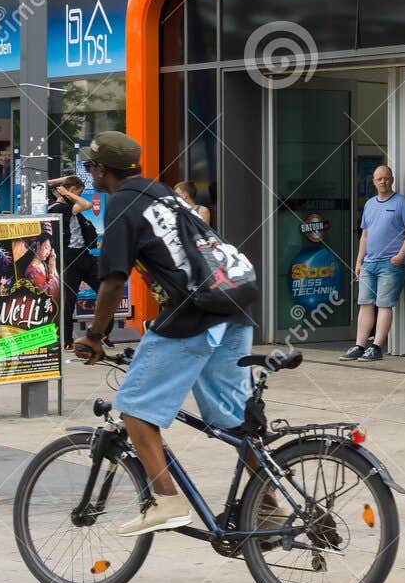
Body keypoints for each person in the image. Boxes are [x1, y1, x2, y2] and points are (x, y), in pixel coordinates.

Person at [70, 132, 260, 537]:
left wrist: (95, 335)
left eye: (91, 166)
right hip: (233, 308)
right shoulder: (163, 194)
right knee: (235, 422)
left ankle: (165, 502)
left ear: (103, 170)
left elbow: (112, 280)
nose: (90, 173)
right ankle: (272, 504)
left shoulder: (123, 204)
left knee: (135, 409)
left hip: (194, 315)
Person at [342, 164, 405, 363]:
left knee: (384, 305)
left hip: (391, 263)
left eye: (386, 178)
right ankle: (360, 346)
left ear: (391, 179)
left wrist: (401, 255)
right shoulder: (369, 204)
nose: (383, 181)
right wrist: (359, 262)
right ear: (373, 182)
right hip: (369, 262)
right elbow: (365, 235)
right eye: (379, 179)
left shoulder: (402, 202)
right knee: (365, 304)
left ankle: (376, 347)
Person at [46, 173, 97, 336]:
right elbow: (87, 204)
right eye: (78, 193)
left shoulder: (67, 206)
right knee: (68, 300)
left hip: (84, 255)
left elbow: (73, 177)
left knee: (103, 288)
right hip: (70, 259)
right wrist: (68, 193)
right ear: (73, 191)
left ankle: (103, 332)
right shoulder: (60, 208)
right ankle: (67, 337)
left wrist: (57, 182)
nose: (79, 197)